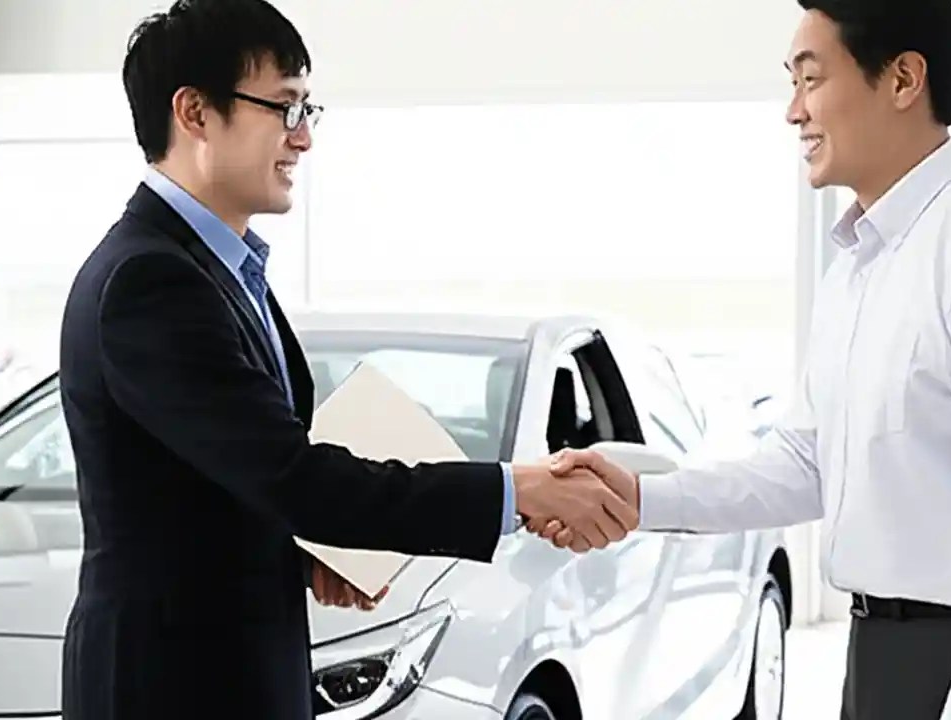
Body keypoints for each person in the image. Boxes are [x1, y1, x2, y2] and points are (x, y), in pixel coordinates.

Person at [56, 2, 635, 719]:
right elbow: (292, 477)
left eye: (308, 111)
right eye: (284, 107)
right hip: (175, 684)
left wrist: (301, 555)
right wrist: (516, 491)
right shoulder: (151, 282)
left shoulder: (212, 269)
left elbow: (208, 488)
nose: (302, 139)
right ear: (195, 112)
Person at [537, 1, 951, 718]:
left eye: (810, 79)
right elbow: (807, 465)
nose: (793, 112)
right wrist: (639, 500)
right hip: (880, 654)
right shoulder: (858, 267)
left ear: (902, 81)